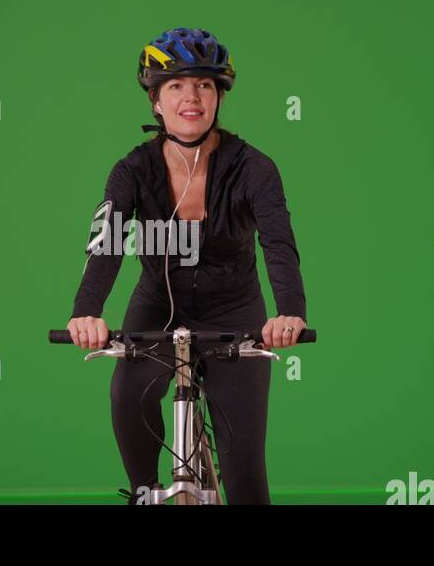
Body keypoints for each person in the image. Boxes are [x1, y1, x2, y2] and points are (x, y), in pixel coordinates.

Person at [67, 27, 308, 504]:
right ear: (156, 101)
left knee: (244, 475)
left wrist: (289, 312)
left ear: (219, 96)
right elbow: (107, 245)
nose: (191, 96)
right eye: (176, 85)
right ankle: (143, 492)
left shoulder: (254, 168)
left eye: (204, 84)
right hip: (157, 306)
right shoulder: (132, 170)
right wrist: (86, 311)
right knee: (127, 397)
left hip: (235, 311)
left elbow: (278, 243)